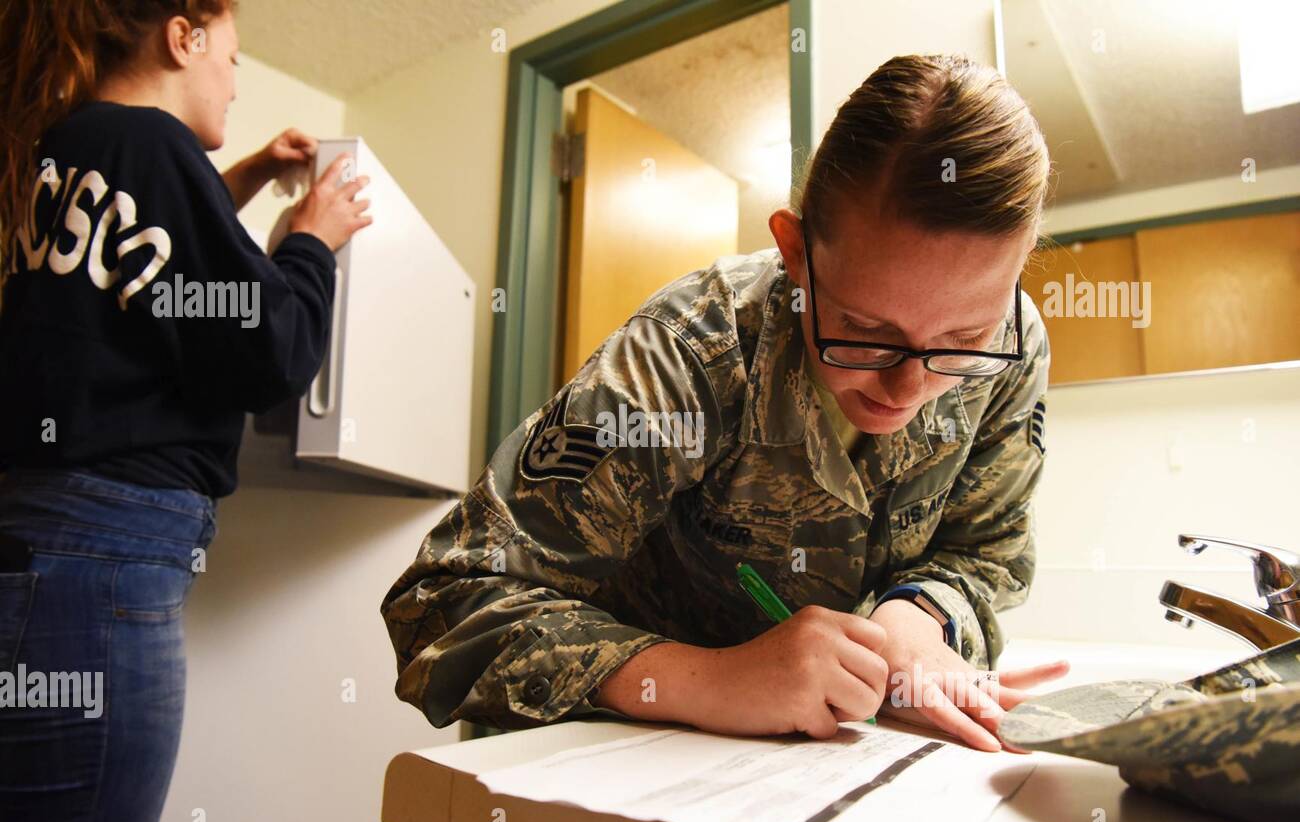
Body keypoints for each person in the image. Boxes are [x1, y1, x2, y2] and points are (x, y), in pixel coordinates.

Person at [381, 53, 1069, 749]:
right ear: (796, 255)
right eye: (865, 331)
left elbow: (983, 552)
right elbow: (442, 606)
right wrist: (710, 680)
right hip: (619, 764)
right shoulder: (688, 352)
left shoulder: (1013, 346)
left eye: (962, 339)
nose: (908, 387)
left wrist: (914, 621)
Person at [0, 0, 371, 822]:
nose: (236, 84)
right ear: (182, 37)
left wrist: (233, 181)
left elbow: (144, 276)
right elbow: (268, 349)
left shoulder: (59, 152)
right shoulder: (152, 147)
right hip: (103, 569)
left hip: (32, 556)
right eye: (234, 60)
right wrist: (312, 242)